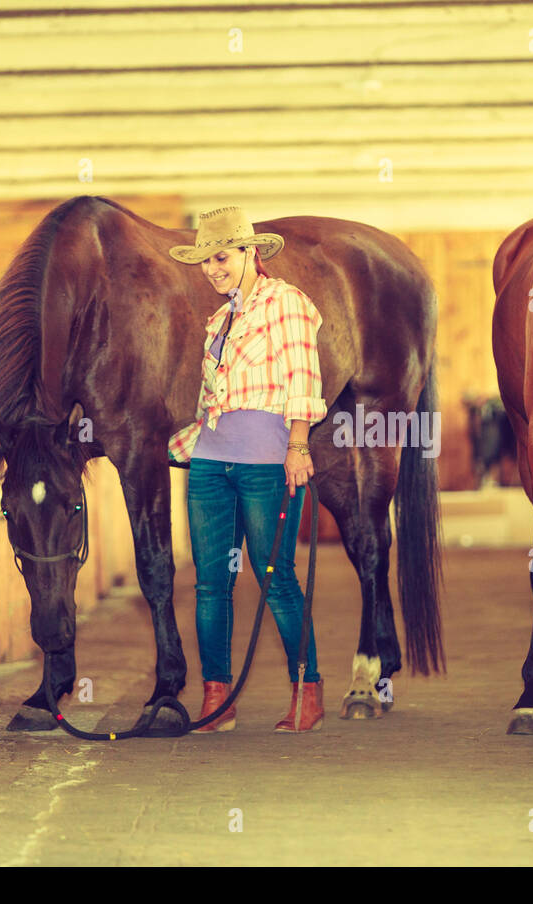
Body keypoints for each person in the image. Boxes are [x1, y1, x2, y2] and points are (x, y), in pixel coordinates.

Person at [167, 207, 327, 733]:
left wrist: (298, 446)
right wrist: (185, 441)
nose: (213, 270)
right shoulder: (218, 321)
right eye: (206, 262)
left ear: (249, 253)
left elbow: (303, 379)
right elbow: (211, 399)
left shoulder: (287, 305)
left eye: (221, 258)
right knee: (211, 583)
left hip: (266, 462)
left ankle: (307, 692)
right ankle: (218, 697)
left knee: (275, 577)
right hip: (211, 463)